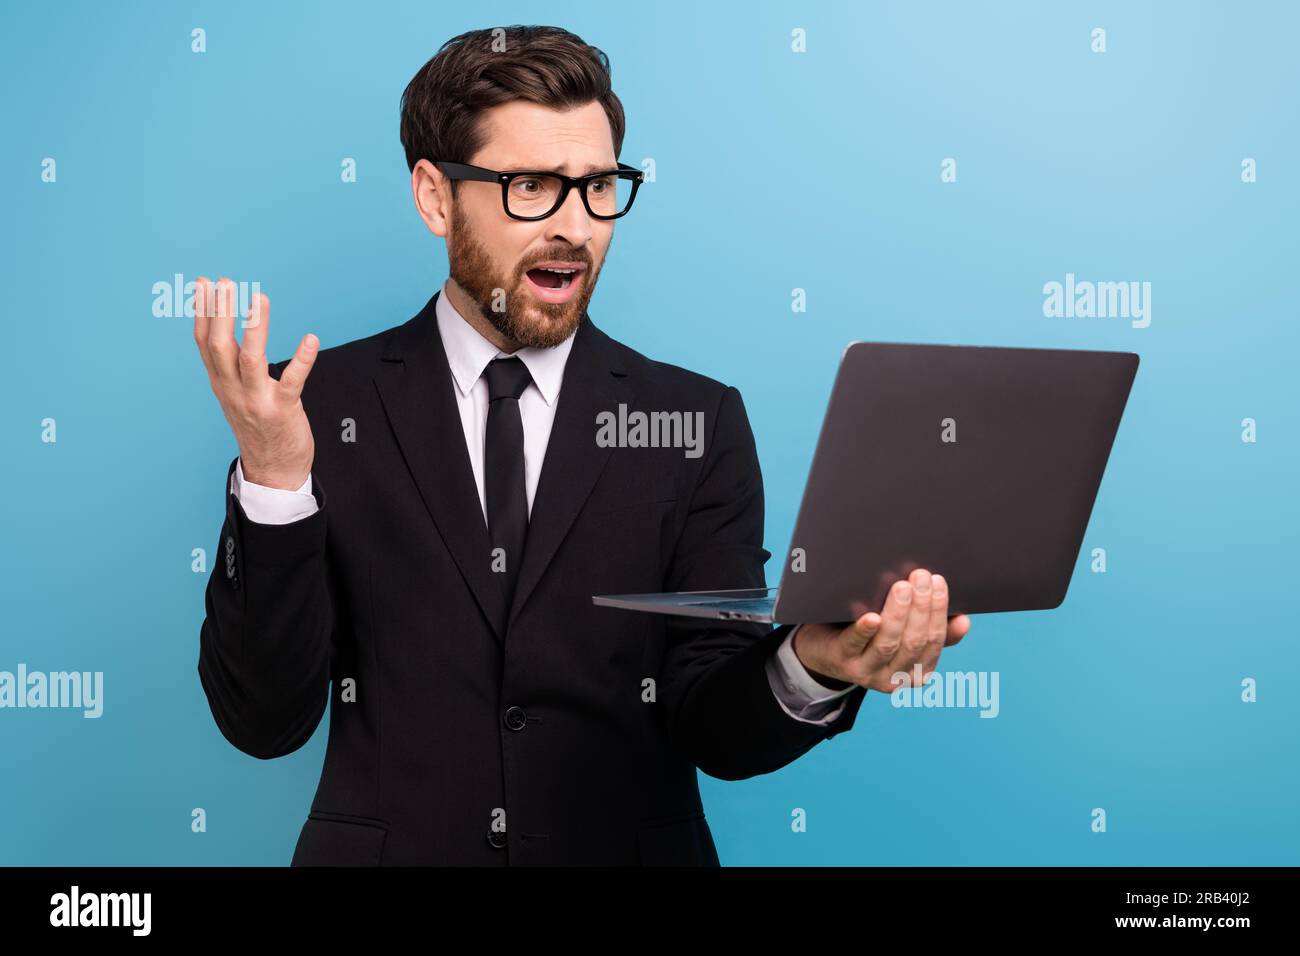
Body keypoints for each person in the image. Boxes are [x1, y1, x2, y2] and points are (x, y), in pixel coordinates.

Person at [194, 24, 971, 866]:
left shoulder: (697, 422)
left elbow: (713, 721)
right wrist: (275, 481)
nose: (575, 225)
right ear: (434, 196)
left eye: (598, 186)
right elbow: (264, 723)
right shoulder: (313, 409)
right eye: (531, 185)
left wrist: (815, 663)